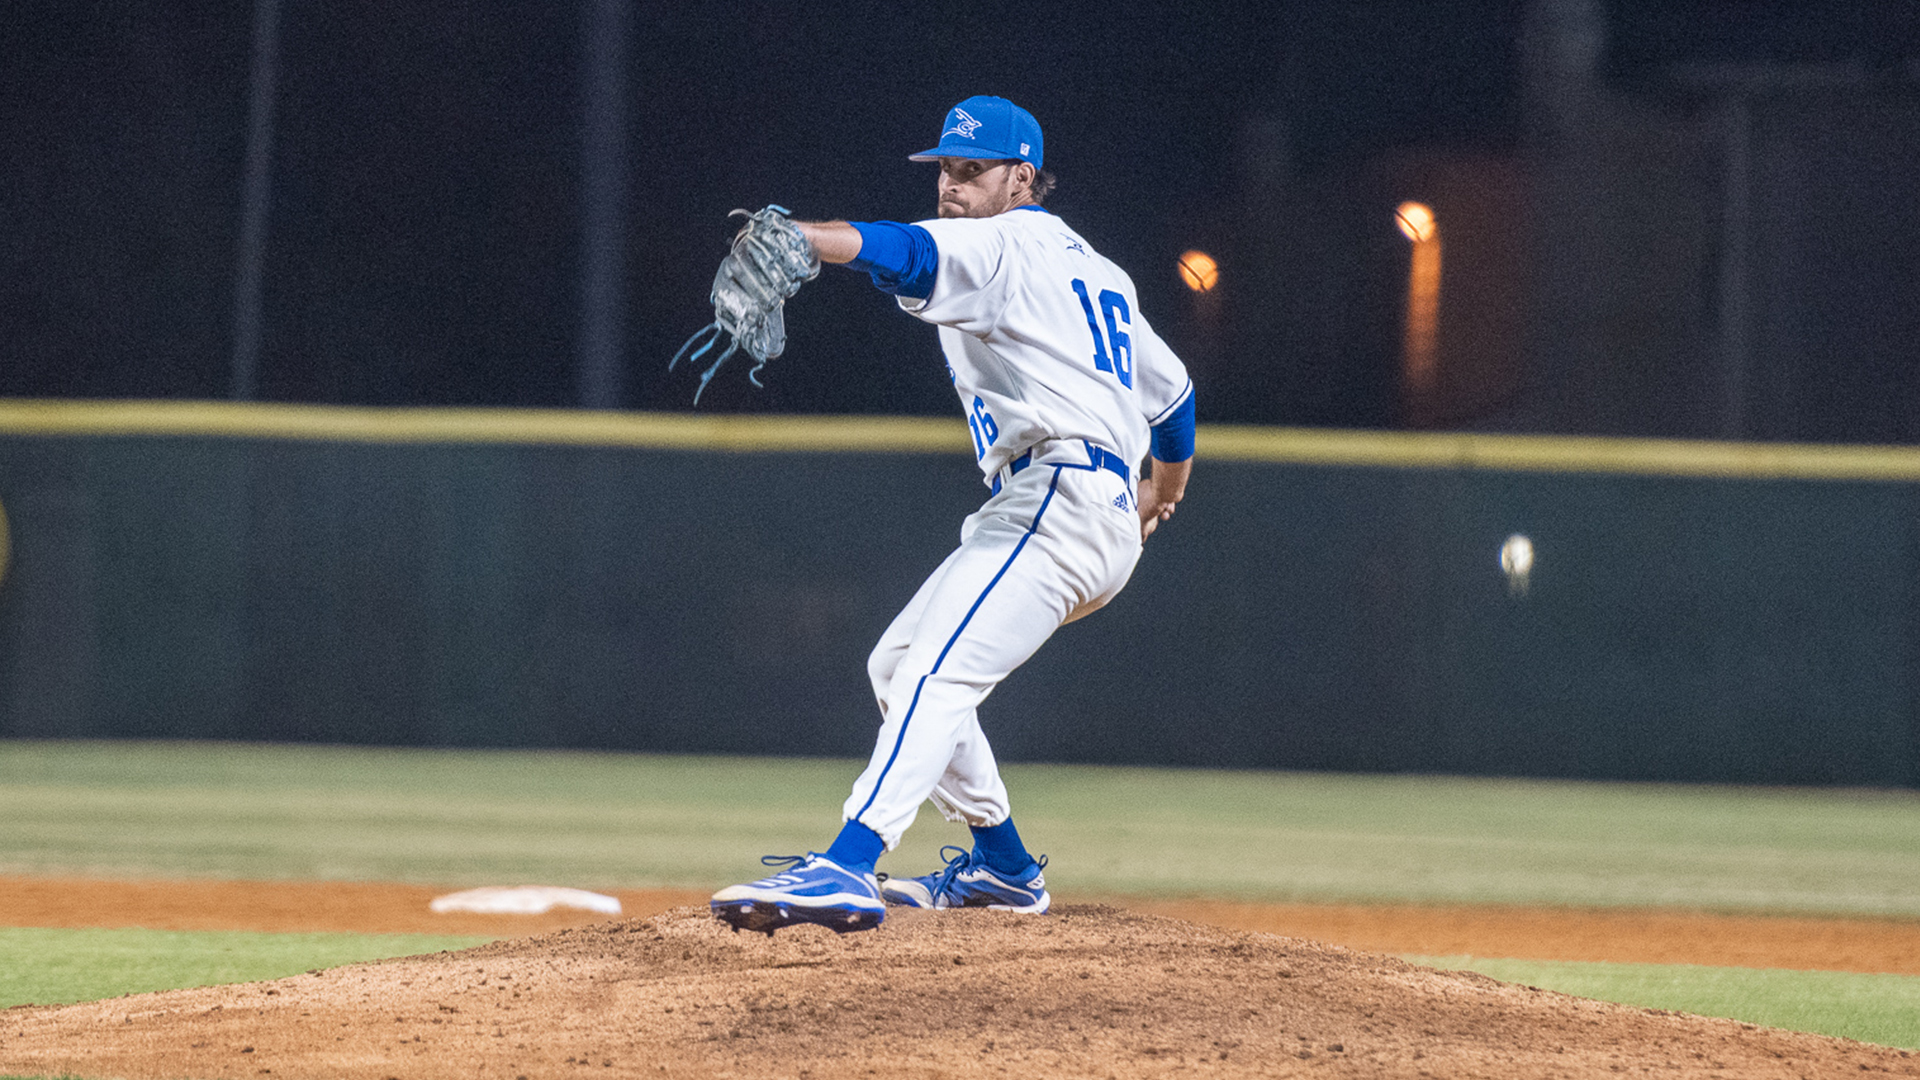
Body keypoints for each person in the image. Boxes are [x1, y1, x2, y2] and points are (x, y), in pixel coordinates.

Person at [710, 95, 1196, 934]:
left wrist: (808, 242)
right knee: (897, 668)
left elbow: (899, 252)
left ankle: (850, 863)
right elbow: (1175, 392)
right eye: (943, 167)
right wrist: (1166, 486)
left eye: (970, 170)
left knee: (935, 674)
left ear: (1021, 177)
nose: (950, 184)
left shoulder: (1002, 240)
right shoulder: (1099, 271)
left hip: (1059, 498)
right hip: (1075, 504)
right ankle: (1006, 869)